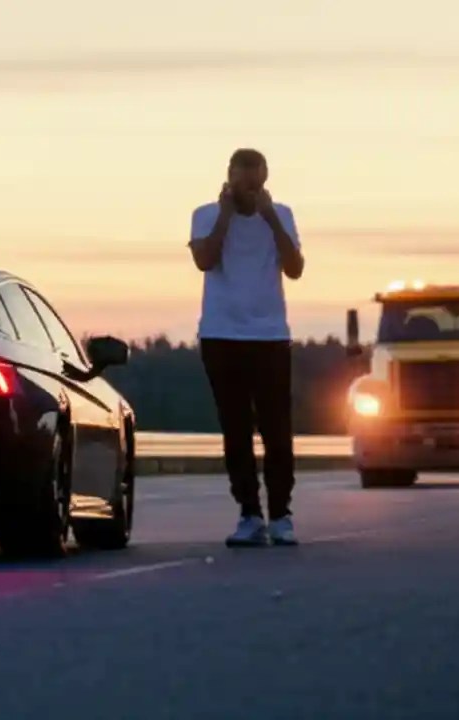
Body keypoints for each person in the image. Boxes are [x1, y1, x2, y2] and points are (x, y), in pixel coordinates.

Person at [188, 148, 305, 547]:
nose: (251, 190)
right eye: (244, 182)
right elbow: (205, 260)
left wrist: (269, 216)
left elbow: (295, 268)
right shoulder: (206, 214)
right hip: (222, 335)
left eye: (257, 183)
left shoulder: (281, 214)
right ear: (230, 178)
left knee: (277, 428)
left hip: (269, 335)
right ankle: (250, 514)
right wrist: (225, 214)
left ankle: (281, 515)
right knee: (235, 428)